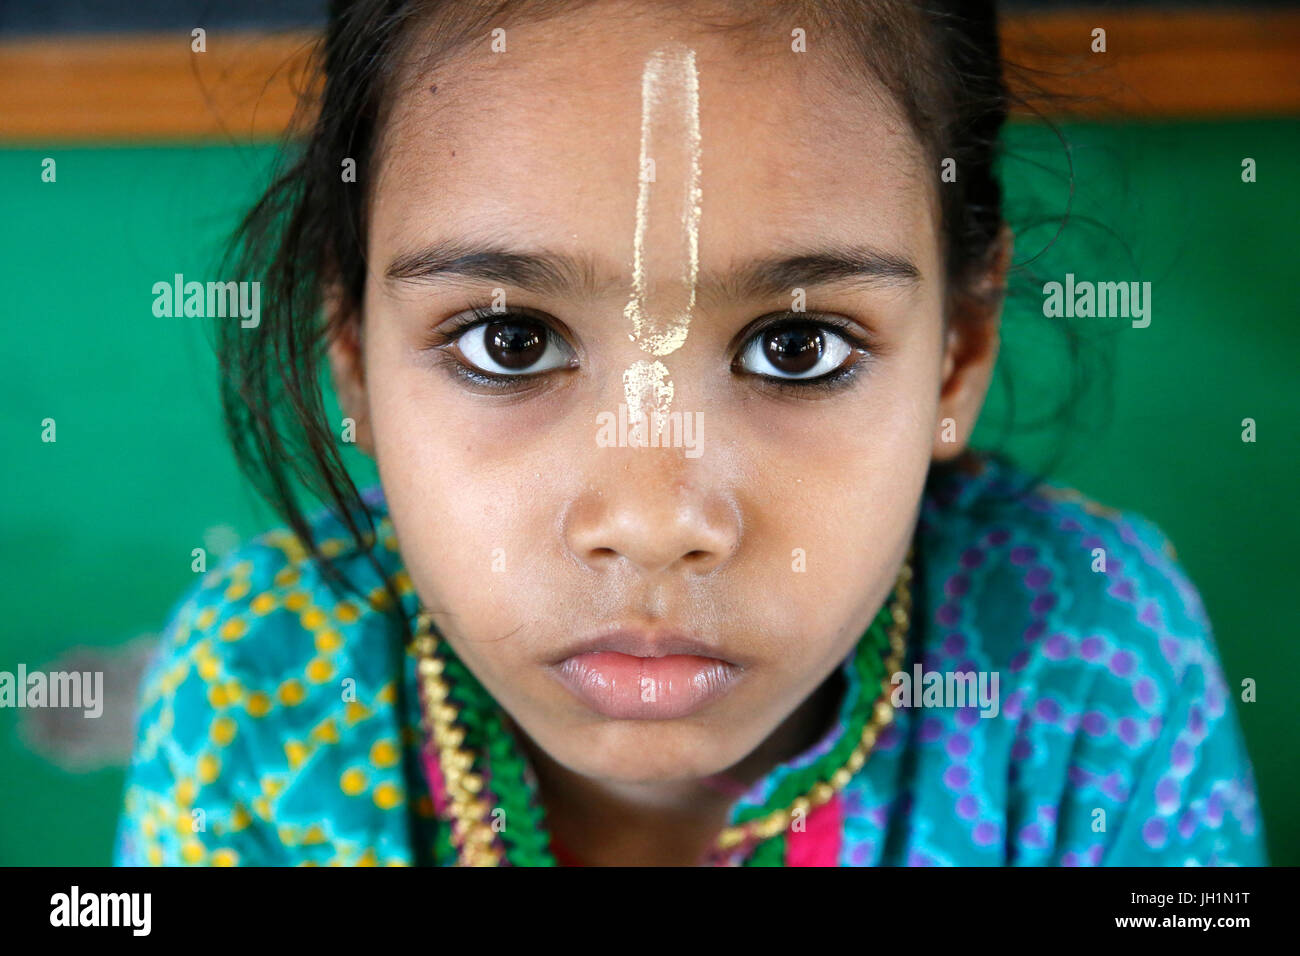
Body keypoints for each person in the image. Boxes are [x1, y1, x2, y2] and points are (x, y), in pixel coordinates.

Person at [114, 0, 1265, 866]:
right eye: (509, 340)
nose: (656, 520)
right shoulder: (254, 691)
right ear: (354, 350)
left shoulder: (1090, 660)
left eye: (797, 347)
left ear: (957, 350)